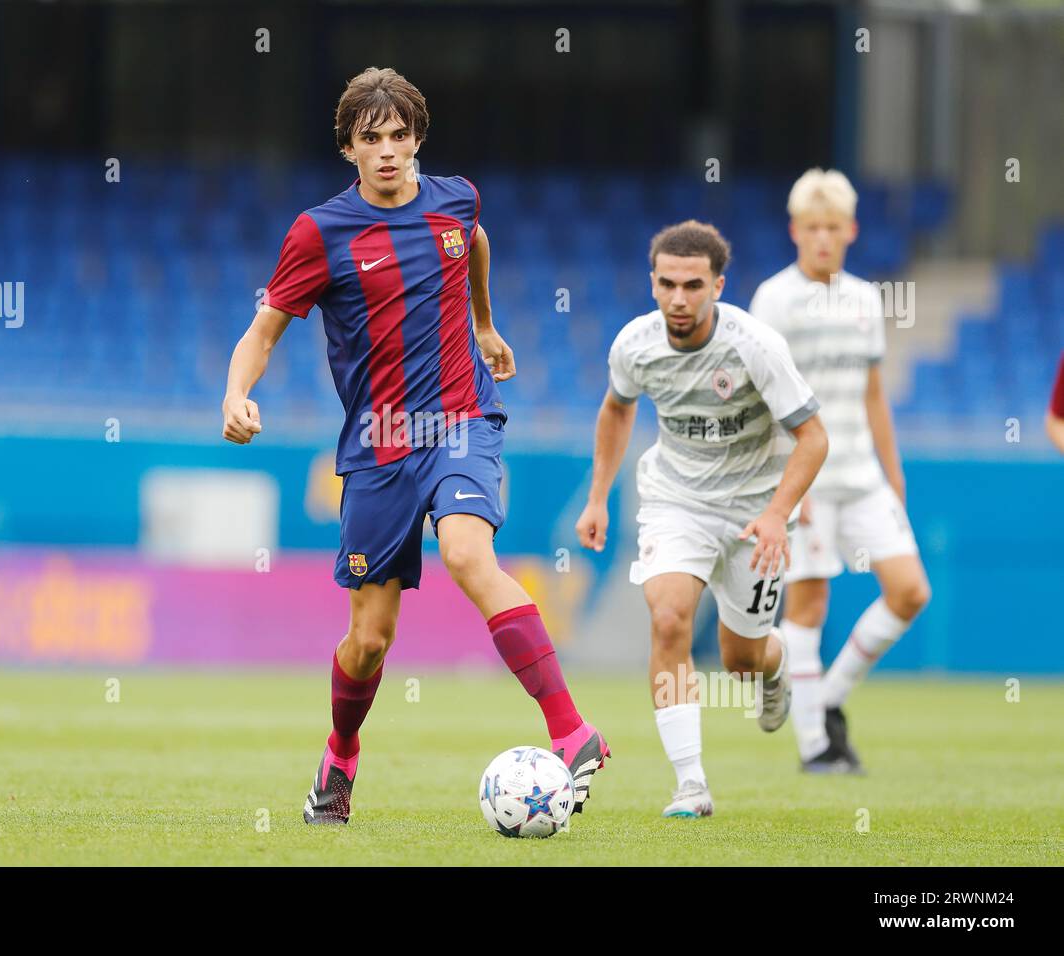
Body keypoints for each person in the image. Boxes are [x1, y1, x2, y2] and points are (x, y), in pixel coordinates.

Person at [221, 67, 608, 826]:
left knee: (469, 554)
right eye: (373, 140)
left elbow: (474, 242)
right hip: (379, 446)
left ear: (418, 139)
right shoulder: (318, 233)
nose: (390, 151)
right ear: (349, 150)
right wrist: (236, 392)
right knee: (369, 640)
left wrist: (485, 325)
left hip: (461, 421)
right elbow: (263, 329)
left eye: (401, 136)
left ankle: (573, 731)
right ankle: (339, 758)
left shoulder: (455, 199)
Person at [576, 220, 828, 818]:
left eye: (693, 285)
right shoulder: (635, 344)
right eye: (667, 284)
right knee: (667, 621)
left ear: (718, 284)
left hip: (753, 512)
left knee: (741, 659)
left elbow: (814, 437)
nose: (679, 299)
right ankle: (690, 784)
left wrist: (776, 515)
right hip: (676, 500)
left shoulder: (755, 346)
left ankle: (775, 664)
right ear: (653, 282)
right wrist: (597, 497)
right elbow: (616, 408)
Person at [749, 169, 931, 774]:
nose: (823, 238)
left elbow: (874, 393)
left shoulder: (864, 298)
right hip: (806, 476)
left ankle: (825, 698)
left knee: (910, 591)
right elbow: (761, 398)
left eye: (833, 227)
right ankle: (817, 749)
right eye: (812, 228)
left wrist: (892, 472)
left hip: (861, 473)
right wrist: (781, 484)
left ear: (850, 230)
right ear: (795, 230)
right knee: (809, 604)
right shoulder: (774, 299)